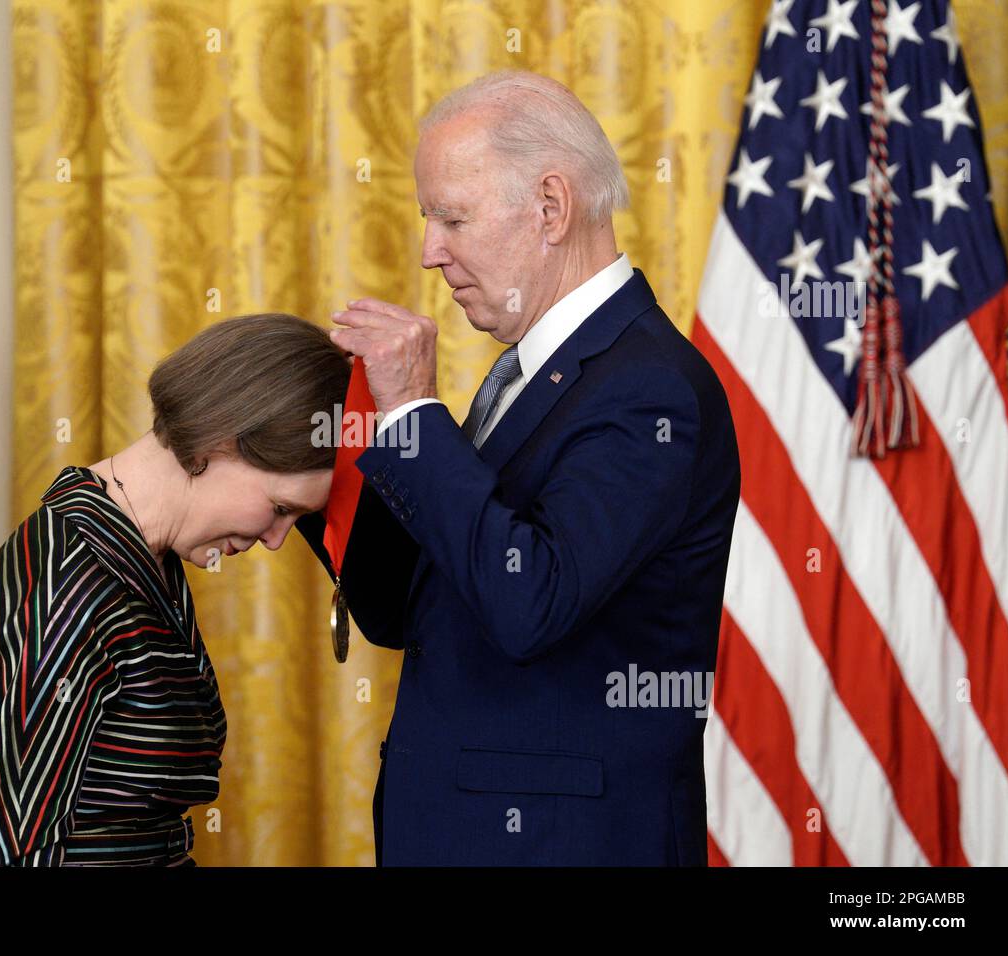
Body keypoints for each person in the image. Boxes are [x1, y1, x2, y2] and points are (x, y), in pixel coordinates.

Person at [298, 70, 741, 865]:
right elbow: (409, 610)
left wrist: (413, 419)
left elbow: (529, 601)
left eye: (452, 218)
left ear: (551, 207)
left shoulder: (648, 389)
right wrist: (304, 465)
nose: (430, 253)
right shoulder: (534, 371)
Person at [0, 313, 348, 865]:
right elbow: (20, 850)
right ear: (216, 441)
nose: (278, 539)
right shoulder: (66, 583)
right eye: (280, 508)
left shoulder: (140, 558)